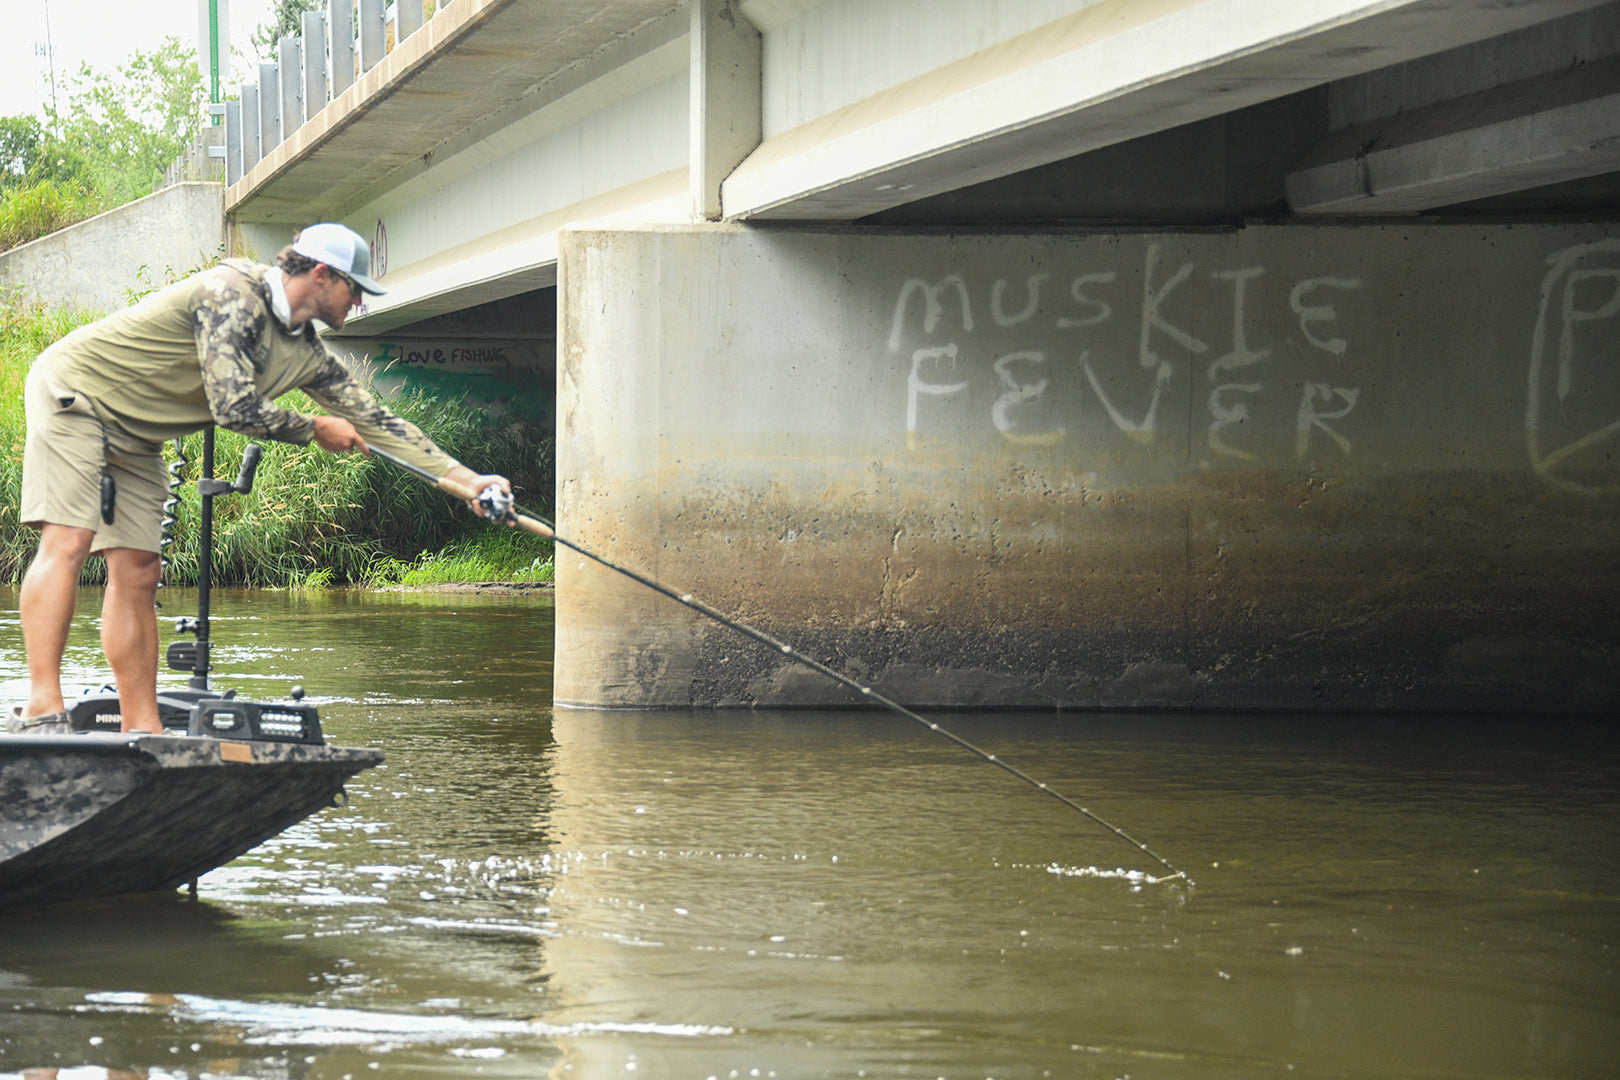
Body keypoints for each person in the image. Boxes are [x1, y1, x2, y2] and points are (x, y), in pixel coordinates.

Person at [9, 223, 509, 735]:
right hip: (78, 395)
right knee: (69, 540)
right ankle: (43, 706)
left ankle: (144, 730)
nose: (359, 302)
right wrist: (313, 427)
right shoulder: (230, 295)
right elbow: (232, 407)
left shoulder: (307, 354)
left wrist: (469, 482)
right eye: (354, 288)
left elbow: (376, 421)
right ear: (320, 275)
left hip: (138, 435)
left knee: (138, 571)